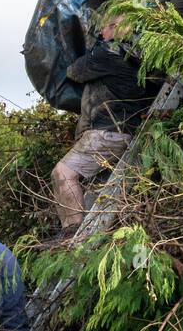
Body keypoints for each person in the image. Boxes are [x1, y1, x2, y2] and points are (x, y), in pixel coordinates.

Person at [50, 13, 158, 235]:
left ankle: (72, 232)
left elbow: (75, 72)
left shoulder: (108, 52)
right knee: (95, 189)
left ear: (120, 28)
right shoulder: (141, 55)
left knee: (62, 173)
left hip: (108, 132)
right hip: (129, 130)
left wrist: (89, 49)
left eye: (106, 28)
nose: (101, 33)